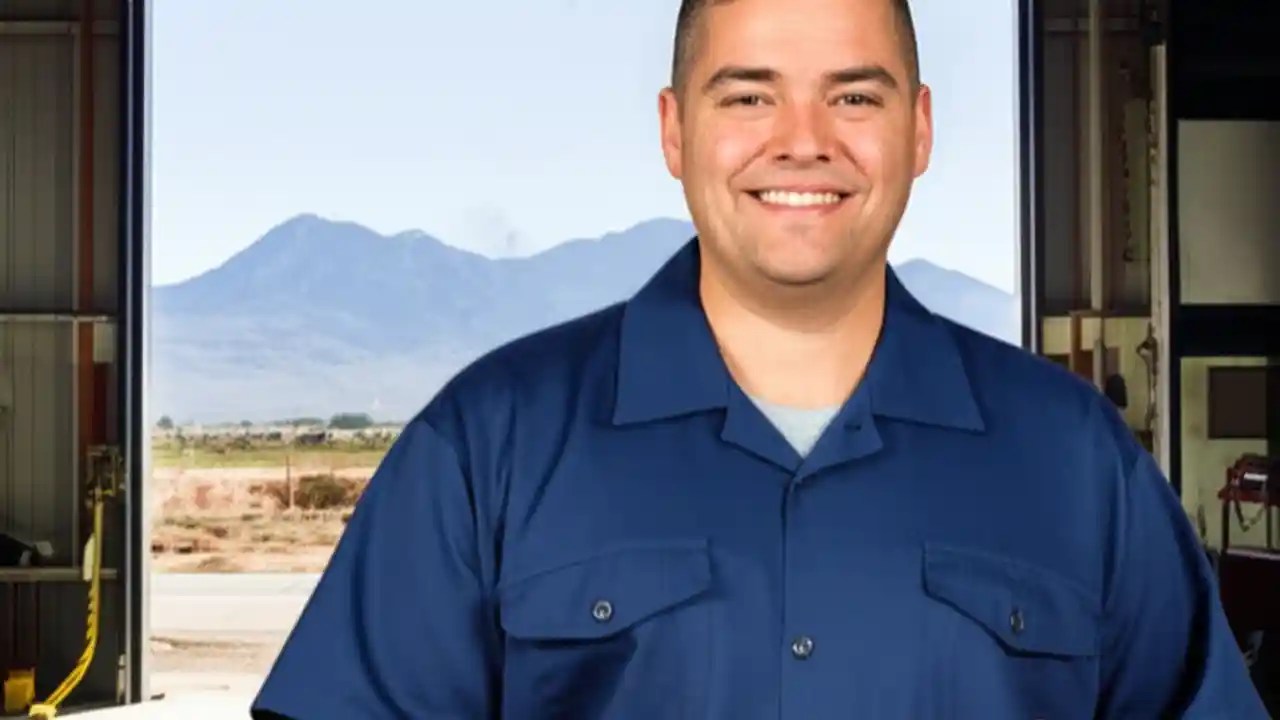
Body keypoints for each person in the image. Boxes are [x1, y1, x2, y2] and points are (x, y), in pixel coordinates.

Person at [250, 0, 1269, 717]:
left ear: (917, 131)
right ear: (672, 130)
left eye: (853, 98)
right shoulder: (489, 441)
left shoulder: (1072, 458)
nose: (801, 141)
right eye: (746, 98)